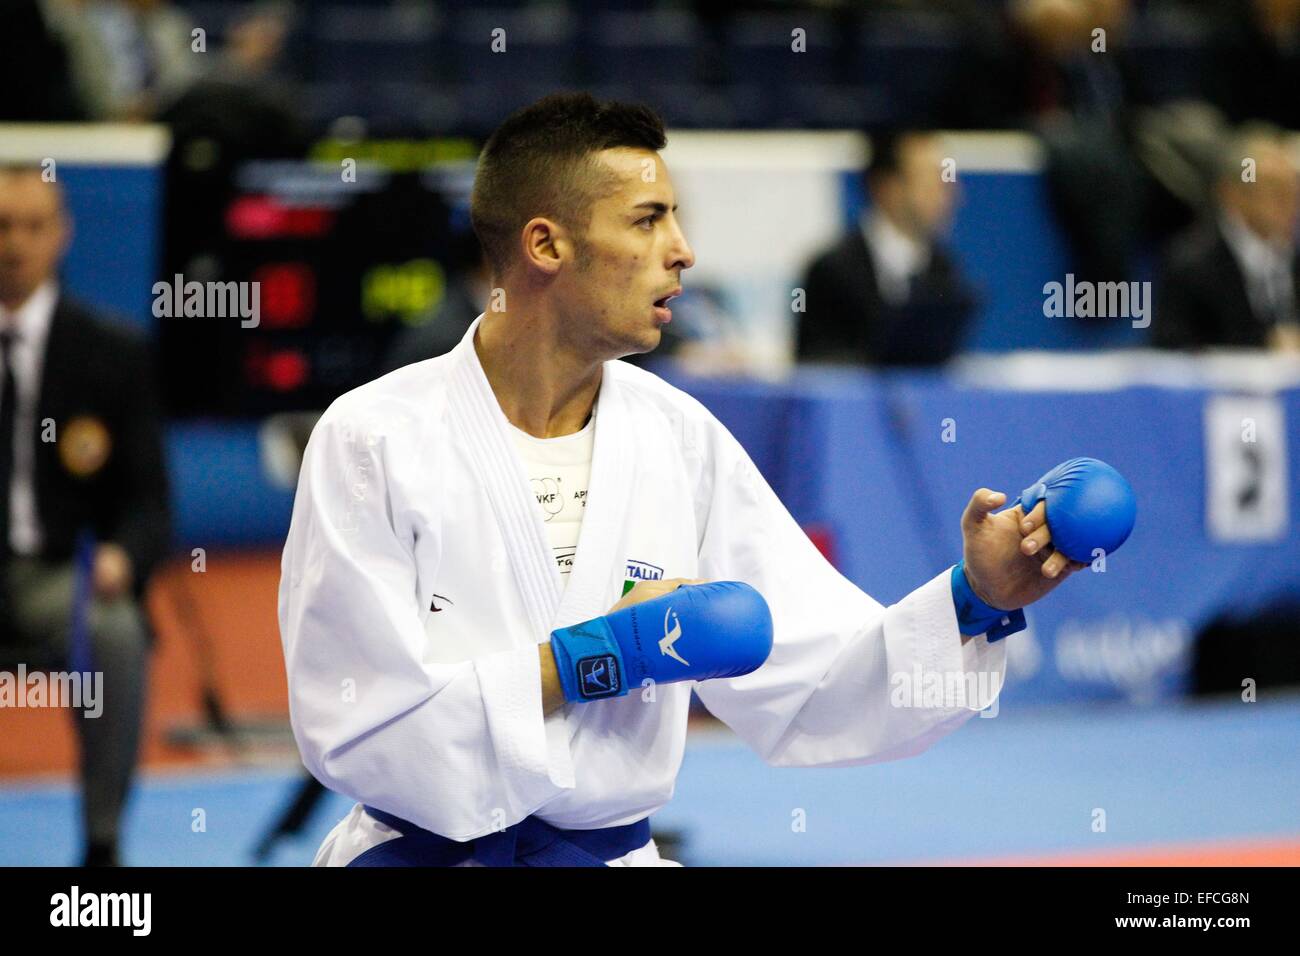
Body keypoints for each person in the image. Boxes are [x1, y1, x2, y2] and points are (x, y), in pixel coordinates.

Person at [278, 94, 1088, 868]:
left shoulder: (679, 438)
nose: (684, 250)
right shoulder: (374, 436)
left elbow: (822, 683)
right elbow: (353, 726)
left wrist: (977, 599)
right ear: (546, 244)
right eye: (648, 218)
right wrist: (601, 657)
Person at [0, 164, 170, 866]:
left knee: (115, 631)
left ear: (62, 234)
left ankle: (101, 847)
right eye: (2, 227)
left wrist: (121, 557)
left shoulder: (111, 353)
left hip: (56, 581)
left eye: (33, 226)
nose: (15, 244)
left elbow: (149, 503)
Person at [796, 129, 977, 367]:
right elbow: (813, 368)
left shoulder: (942, 267)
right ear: (887, 187)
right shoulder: (832, 270)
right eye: (934, 181)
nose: (950, 196)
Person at [1153, 124, 1300, 351]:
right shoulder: (1192, 263)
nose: (1288, 201)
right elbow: (1173, 349)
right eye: (1273, 188)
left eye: (1292, 189)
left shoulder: (1293, 256)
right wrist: (1265, 344)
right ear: (1232, 194)